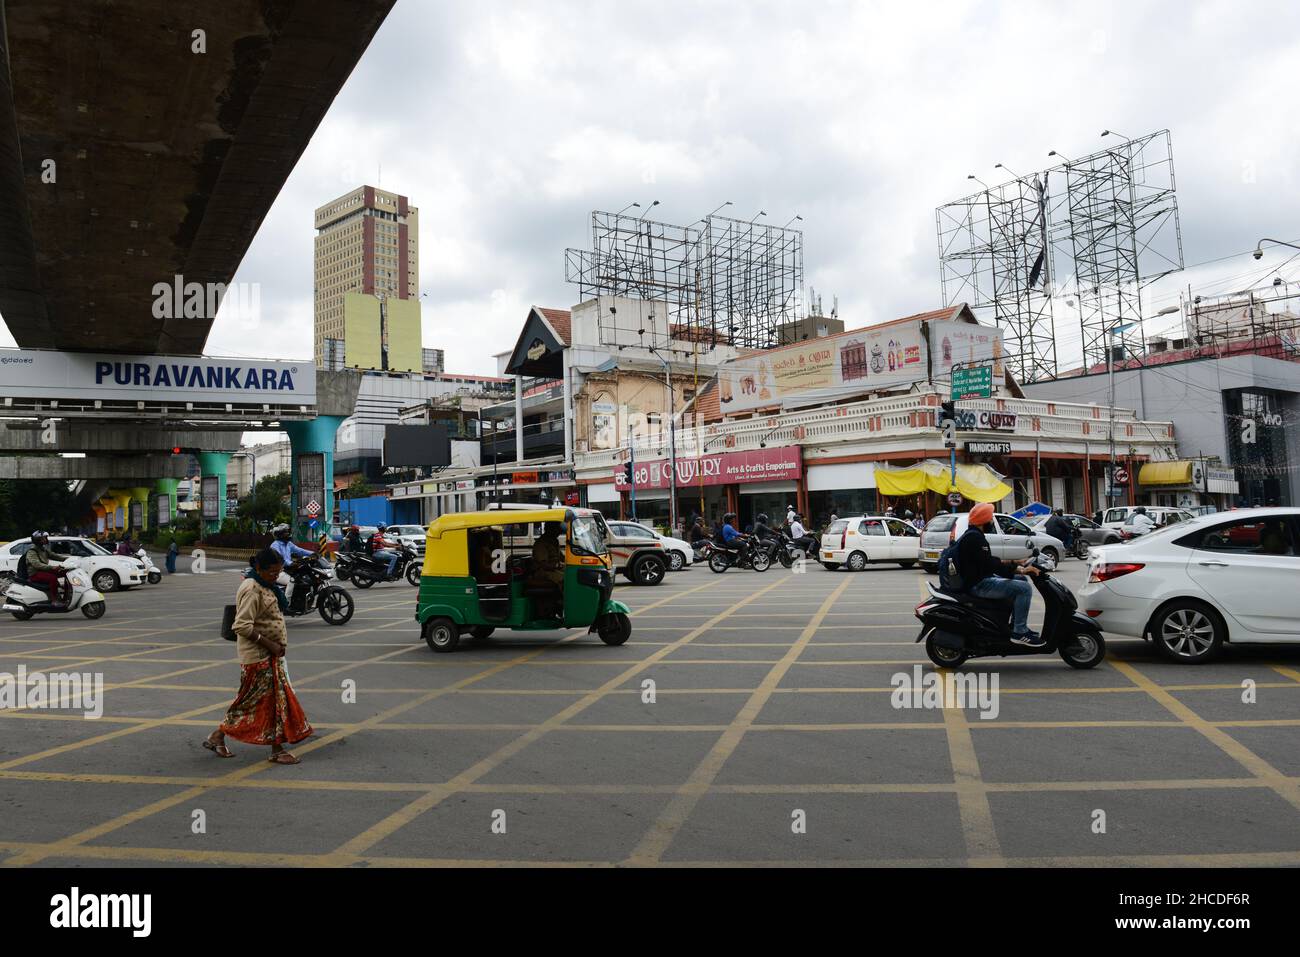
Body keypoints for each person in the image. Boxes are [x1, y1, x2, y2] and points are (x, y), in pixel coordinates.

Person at [204, 548, 312, 764]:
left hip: (269, 655)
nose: (276, 576)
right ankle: (276, 749)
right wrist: (271, 644)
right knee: (259, 702)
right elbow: (242, 626)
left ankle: (219, 736)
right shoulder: (252, 589)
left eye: (278, 571)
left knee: (263, 702)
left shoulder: (266, 585)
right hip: (258, 656)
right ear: (259, 569)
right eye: (272, 572)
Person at [957, 503, 1044, 647]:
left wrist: (1016, 562)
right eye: (990, 519)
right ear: (983, 520)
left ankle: (1015, 625)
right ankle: (1019, 632)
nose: (992, 522)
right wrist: (1020, 569)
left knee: (1021, 580)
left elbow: (988, 560)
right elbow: (991, 565)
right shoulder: (975, 539)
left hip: (979, 579)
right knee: (1024, 588)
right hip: (979, 584)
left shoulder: (973, 536)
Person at [270, 524, 315, 613]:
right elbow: (281, 559)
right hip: (278, 571)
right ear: (279, 535)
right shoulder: (275, 545)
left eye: (288, 532)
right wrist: (291, 563)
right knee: (292, 581)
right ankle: (286, 605)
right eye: (285, 533)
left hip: (288, 569)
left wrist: (313, 553)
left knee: (303, 579)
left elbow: (300, 550)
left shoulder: (288, 544)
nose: (287, 534)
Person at [528, 522, 565, 617]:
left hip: (553, 569)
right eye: (557, 530)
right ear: (550, 530)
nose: (558, 533)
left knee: (574, 575)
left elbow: (561, 557)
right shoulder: (541, 543)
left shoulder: (554, 541)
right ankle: (561, 603)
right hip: (542, 572)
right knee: (565, 579)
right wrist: (558, 566)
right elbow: (543, 564)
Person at [24, 531, 69, 605]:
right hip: (35, 573)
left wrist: (68, 559)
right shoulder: (32, 551)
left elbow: (54, 556)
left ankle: (67, 595)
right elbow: (37, 564)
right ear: (38, 540)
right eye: (44, 538)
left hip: (43, 571)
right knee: (52, 578)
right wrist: (52, 567)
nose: (46, 539)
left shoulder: (43, 549)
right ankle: (54, 599)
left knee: (66, 572)